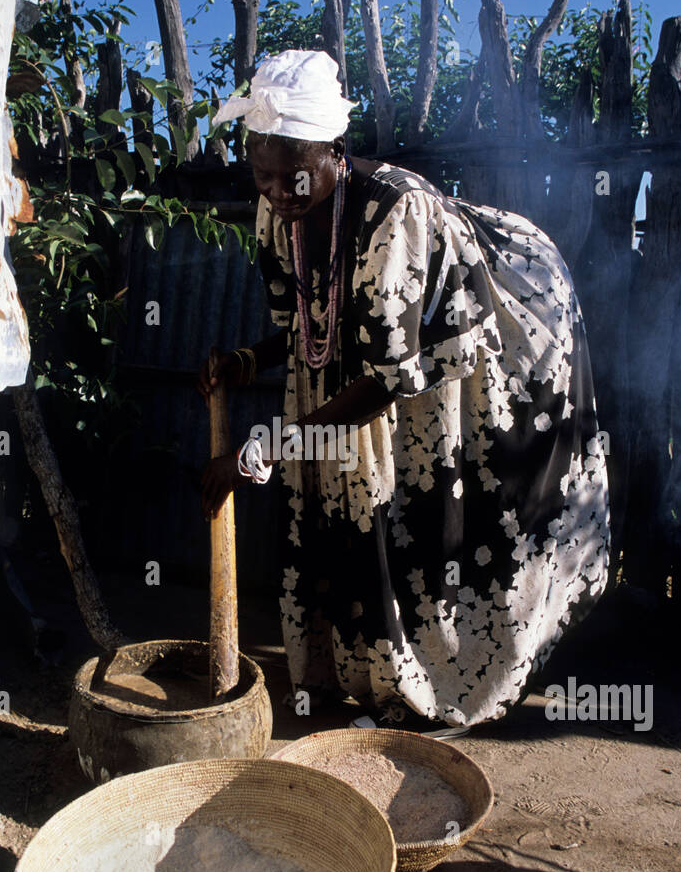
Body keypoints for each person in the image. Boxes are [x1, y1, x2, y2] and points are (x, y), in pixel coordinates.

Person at [199, 49, 610, 732]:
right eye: (262, 176)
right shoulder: (277, 210)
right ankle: (349, 675)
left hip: (477, 356)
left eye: (290, 175)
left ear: (334, 150)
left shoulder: (397, 214)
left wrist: (260, 452)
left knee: (432, 508)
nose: (275, 191)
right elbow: (310, 323)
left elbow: (386, 379)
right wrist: (246, 361)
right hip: (371, 376)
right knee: (348, 510)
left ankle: (425, 682)